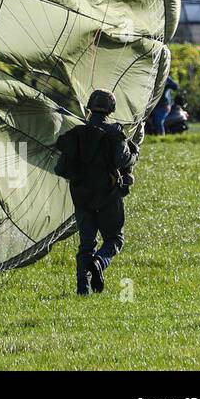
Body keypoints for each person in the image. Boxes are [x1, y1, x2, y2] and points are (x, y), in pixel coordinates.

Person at [55, 90, 139, 295]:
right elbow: (122, 160)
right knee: (114, 239)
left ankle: (83, 289)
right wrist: (134, 154)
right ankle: (100, 262)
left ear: (90, 108)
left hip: (82, 197)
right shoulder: (115, 133)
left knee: (86, 245)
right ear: (111, 109)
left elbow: (60, 169)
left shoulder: (75, 135)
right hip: (108, 195)